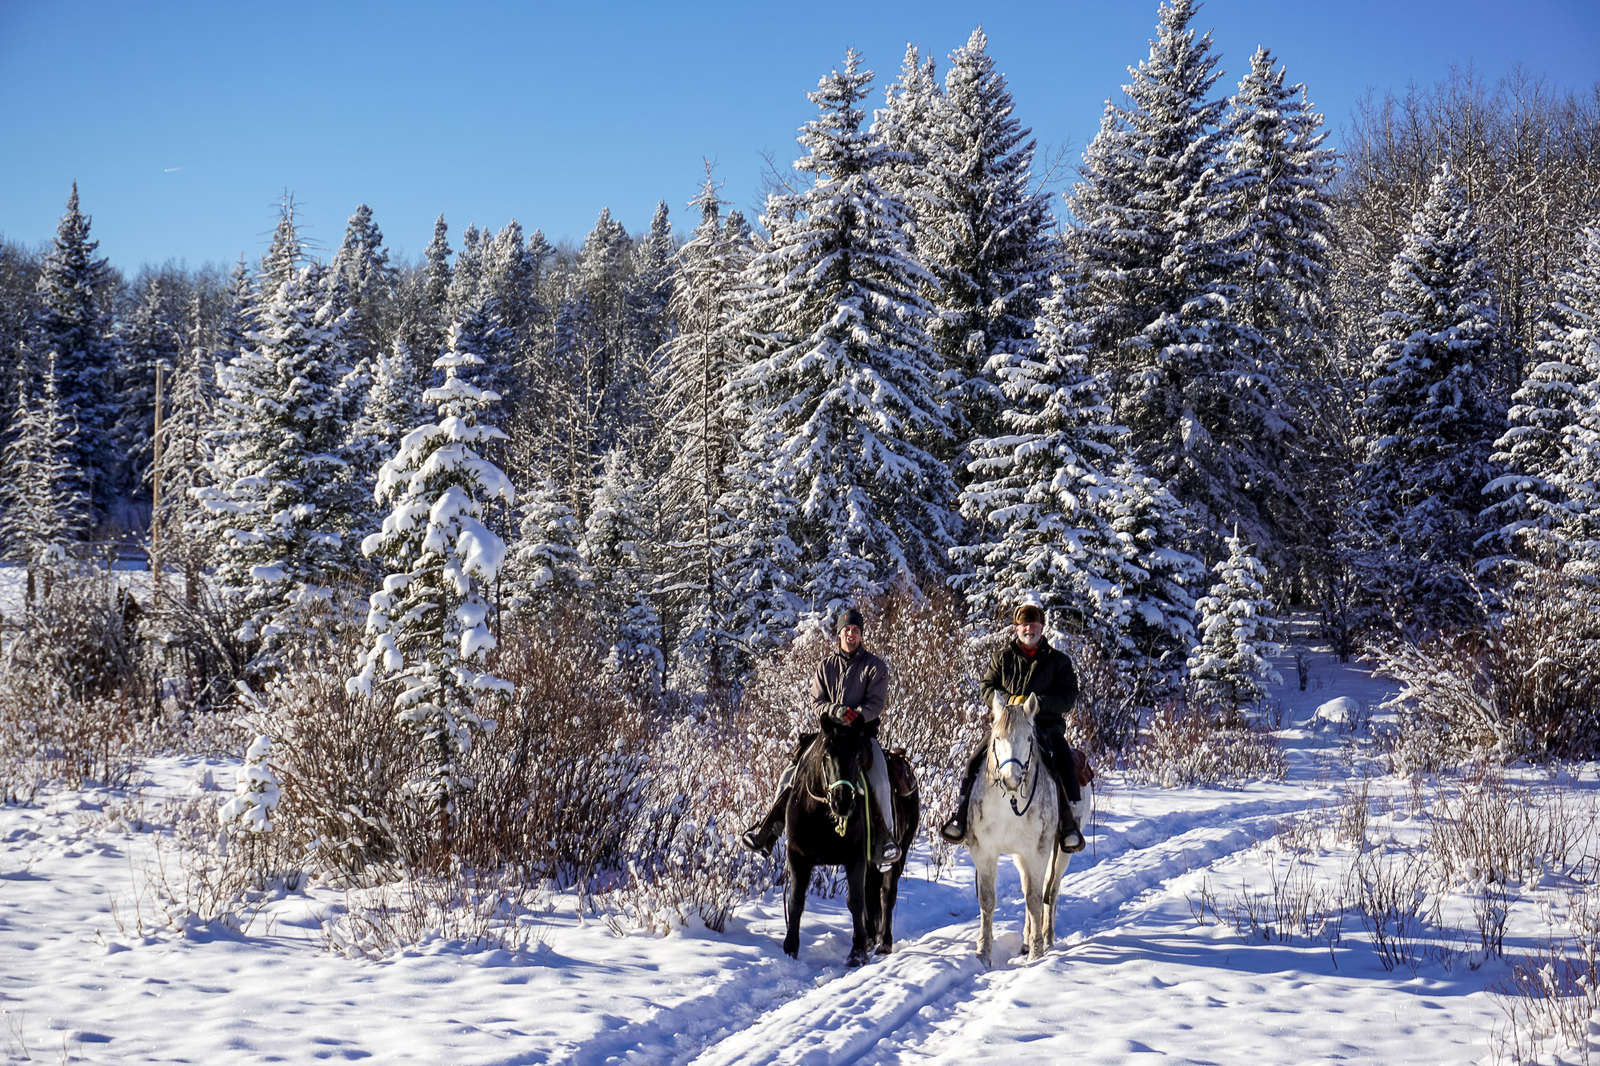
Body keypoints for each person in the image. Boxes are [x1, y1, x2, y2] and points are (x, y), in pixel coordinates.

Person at [741, 606, 902, 869]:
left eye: (856, 630)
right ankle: (768, 831)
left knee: (881, 781)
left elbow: (876, 703)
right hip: (828, 736)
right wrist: (833, 710)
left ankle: (885, 840)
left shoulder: (875, 667)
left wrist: (856, 715)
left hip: (861, 735)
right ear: (838, 634)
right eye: (847, 629)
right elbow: (817, 701)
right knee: (790, 775)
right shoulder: (825, 666)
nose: (852, 634)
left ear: (862, 635)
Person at [939, 602, 1086, 852]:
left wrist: (1038, 703)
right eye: (1024, 624)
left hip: (1045, 727)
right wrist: (1005, 701)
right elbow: (987, 686)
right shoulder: (1002, 657)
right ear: (1016, 628)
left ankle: (1069, 824)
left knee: (1062, 759)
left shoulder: (1058, 661)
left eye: (1034, 624)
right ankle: (961, 816)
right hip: (1006, 727)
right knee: (974, 760)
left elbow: (1069, 696)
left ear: (1042, 627)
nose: (1029, 628)